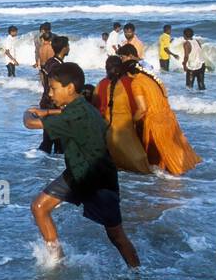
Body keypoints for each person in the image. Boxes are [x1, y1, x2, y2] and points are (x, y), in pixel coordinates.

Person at [23, 62, 140, 267]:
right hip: (77, 172)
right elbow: (69, 115)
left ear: (70, 88)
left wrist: (29, 112)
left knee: (117, 236)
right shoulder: (84, 107)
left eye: (53, 88)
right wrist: (48, 112)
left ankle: (138, 273)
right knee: (39, 207)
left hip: (98, 179)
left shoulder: (76, 114)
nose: (50, 93)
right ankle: (55, 260)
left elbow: (30, 124)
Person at [117, 44, 201, 175]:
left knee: (159, 165)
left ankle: (164, 190)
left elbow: (143, 109)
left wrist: (130, 123)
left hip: (155, 124)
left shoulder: (136, 83)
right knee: (175, 162)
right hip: (169, 119)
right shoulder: (150, 78)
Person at [93, 56, 151, 174]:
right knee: (144, 171)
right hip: (126, 137)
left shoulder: (101, 85)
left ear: (106, 69)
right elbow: (141, 110)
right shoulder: (129, 83)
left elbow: (95, 109)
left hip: (107, 139)